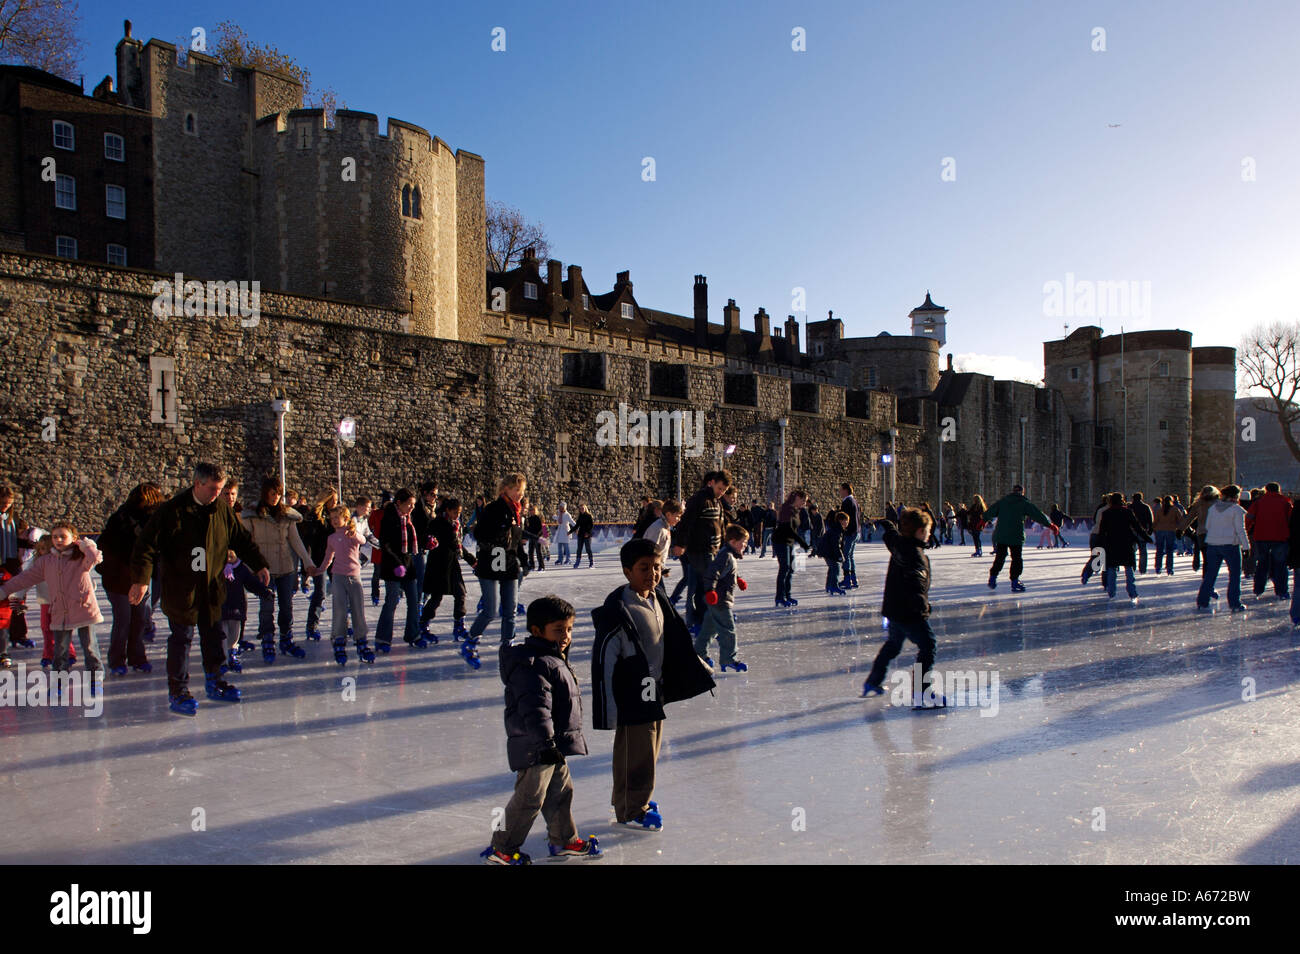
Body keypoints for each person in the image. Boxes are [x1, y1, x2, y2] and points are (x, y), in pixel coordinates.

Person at [591, 538, 716, 832]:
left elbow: (675, 639)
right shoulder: (620, 608)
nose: (652, 573)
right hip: (634, 689)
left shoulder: (657, 598)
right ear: (627, 571)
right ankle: (633, 809)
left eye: (657, 567)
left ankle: (626, 800)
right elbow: (604, 659)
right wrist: (607, 705)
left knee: (646, 746)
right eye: (644, 568)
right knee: (639, 751)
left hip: (653, 687)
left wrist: (698, 665)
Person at [130, 462, 270, 715]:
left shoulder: (221, 510)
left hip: (212, 587)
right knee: (181, 638)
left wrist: (258, 564)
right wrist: (141, 580)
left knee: (214, 635)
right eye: (213, 489)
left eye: (221, 489)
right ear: (197, 484)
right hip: (181, 587)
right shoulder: (171, 511)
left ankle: (214, 679)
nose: (218, 494)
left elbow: (240, 537)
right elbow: (146, 546)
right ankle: (178, 689)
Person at [480, 596, 600, 864]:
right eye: (559, 629)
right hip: (537, 746)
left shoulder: (551, 657)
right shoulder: (532, 663)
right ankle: (502, 846)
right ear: (536, 630)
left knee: (560, 793)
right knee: (528, 799)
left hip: (550, 746)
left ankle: (563, 841)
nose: (566, 635)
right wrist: (545, 744)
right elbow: (535, 708)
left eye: (569, 629)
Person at [0, 522, 104, 684]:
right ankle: (59, 676)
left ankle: (95, 674)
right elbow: (25, 578)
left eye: (63, 536)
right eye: (55, 537)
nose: (59, 540)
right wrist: (4, 590)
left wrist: (86, 545)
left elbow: (95, 558)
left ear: (74, 538)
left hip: (83, 607)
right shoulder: (46, 561)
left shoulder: (81, 557)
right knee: (60, 648)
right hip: (60, 609)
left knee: (89, 645)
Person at [862, 508, 942, 706]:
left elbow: (890, 535)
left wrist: (887, 524)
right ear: (920, 532)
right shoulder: (915, 555)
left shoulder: (899, 543)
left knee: (894, 645)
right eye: (928, 530)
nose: (930, 534)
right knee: (928, 645)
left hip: (893, 610)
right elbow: (916, 585)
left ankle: (873, 681)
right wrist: (923, 608)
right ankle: (922, 693)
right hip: (909, 611)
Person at [242, 477, 315, 663]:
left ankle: (286, 638)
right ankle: (267, 639)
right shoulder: (252, 515)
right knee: (266, 608)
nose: (275, 498)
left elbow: (296, 541)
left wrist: (307, 562)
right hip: (264, 568)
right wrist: (246, 564)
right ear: (265, 493)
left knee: (286, 607)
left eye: (278, 494)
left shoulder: (287, 515)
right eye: (272, 494)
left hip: (285, 567)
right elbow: (245, 541)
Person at [96, 482, 165, 676]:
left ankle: (137, 657)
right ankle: (117, 659)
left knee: (139, 620)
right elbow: (107, 548)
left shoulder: (152, 521)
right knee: (123, 620)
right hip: (119, 580)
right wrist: (112, 571)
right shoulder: (122, 519)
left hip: (140, 579)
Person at [467, 474, 528, 660]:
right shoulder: (493, 508)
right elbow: (479, 532)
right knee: (490, 610)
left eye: (522, 491)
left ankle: (508, 646)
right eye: (516, 490)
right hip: (492, 558)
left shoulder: (517, 512)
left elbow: (515, 542)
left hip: (508, 561)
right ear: (505, 489)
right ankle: (471, 642)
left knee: (510, 609)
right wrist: (499, 533)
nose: (519, 494)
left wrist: (523, 560)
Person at [314, 505, 376, 665]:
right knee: (340, 609)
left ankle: (361, 640)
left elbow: (364, 540)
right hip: (338, 577)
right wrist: (320, 569)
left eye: (337, 517)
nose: (334, 521)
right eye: (332, 518)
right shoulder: (332, 538)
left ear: (346, 518)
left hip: (355, 576)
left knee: (357, 609)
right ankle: (339, 639)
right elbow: (328, 557)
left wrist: (354, 532)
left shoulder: (352, 534)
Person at [422, 497, 479, 667]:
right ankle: (423, 624)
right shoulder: (440, 523)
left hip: (451, 564)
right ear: (447, 510)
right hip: (439, 565)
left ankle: (459, 625)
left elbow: (458, 545)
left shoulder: (455, 525)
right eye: (455, 512)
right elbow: (456, 545)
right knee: (437, 596)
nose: (457, 515)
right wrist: (473, 561)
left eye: (459, 513)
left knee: (460, 593)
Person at [677, 471, 730, 634]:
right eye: (719, 488)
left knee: (701, 584)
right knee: (706, 585)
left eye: (724, 490)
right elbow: (686, 523)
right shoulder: (700, 499)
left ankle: (699, 619)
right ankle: (701, 620)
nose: (721, 492)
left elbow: (720, 526)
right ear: (712, 483)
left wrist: (724, 546)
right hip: (699, 550)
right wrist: (680, 543)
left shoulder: (717, 502)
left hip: (712, 550)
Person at [376, 488, 425, 652]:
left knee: (413, 600)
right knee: (392, 601)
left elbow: (414, 540)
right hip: (393, 566)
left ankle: (413, 634)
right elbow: (385, 544)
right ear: (399, 503)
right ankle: (383, 638)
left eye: (413, 504)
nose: (412, 507)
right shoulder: (389, 518)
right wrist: (397, 564)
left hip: (408, 564)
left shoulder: (409, 518)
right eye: (409, 504)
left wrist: (427, 542)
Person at [982, 484, 1056, 592]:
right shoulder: (1024, 503)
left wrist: (983, 520)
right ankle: (1015, 581)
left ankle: (992, 577)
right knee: (1016, 558)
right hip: (1015, 535)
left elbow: (989, 512)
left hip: (1001, 534)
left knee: (1000, 557)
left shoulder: (1003, 501)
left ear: (1013, 491)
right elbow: (1037, 514)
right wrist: (1049, 525)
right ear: (1022, 492)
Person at [697, 524, 750, 671]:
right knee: (728, 629)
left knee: (709, 629)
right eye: (742, 543)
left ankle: (699, 654)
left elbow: (725, 572)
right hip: (720, 600)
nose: (745, 545)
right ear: (732, 542)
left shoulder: (729, 554)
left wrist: (737, 579)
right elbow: (712, 573)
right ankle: (728, 658)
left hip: (718, 599)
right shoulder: (726, 555)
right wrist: (710, 591)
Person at [218, 549, 273, 673]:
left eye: (231, 556)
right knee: (222, 635)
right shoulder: (215, 569)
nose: (228, 559)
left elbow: (251, 582)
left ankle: (232, 654)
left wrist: (264, 592)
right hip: (220, 609)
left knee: (234, 637)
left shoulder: (240, 569)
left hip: (236, 608)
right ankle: (222, 660)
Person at [1197, 485, 1250, 612]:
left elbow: (1208, 526)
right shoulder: (1236, 510)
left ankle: (1202, 601)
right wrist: (1246, 546)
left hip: (1213, 544)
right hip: (1230, 545)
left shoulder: (1213, 508)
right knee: (1234, 575)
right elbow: (1240, 530)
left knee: (1210, 575)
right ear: (1235, 497)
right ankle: (1234, 603)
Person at [1097, 493, 1151, 600]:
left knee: (1112, 569)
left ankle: (1111, 592)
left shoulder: (1107, 513)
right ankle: (1132, 592)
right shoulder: (1127, 512)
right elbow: (1137, 527)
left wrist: (1100, 545)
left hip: (1112, 544)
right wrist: (1146, 537)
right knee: (1129, 569)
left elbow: (1102, 531)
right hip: (1126, 543)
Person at [301, 490, 338, 641]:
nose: (335, 503)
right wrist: (307, 563)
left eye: (336, 500)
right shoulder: (315, 517)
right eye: (333, 500)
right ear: (327, 500)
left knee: (340, 592)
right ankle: (312, 625)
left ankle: (343, 622)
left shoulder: (338, 516)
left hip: (335, 559)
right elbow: (308, 540)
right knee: (320, 592)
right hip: (319, 559)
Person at [1246, 482, 1293, 600]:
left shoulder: (1259, 502)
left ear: (1266, 490)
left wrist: (1247, 530)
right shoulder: (1285, 502)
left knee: (1262, 563)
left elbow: (1249, 517)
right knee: (1280, 564)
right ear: (1279, 490)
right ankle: (1282, 591)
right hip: (1280, 537)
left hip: (1261, 536)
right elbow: (1291, 519)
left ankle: (1258, 588)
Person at [773, 489, 810, 607]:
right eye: (803, 501)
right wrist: (802, 542)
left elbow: (794, 529)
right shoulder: (786, 509)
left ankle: (787, 595)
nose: (804, 504)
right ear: (797, 498)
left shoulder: (795, 511)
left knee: (790, 569)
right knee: (784, 568)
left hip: (788, 542)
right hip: (780, 541)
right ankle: (780, 597)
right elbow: (788, 528)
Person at [642, 499, 682, 600]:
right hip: (650, 570)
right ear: (668, 514)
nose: (678, 519)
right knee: (660, 598)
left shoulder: (665, 527)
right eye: (677, 516)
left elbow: (660, 550)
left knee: (659, 598)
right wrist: (660, 568)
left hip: (656, 568)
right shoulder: (659, 528)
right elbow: (650, 550)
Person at [818, 510, 850, 595]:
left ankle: (829, 586)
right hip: (828, 551)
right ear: (841, 520)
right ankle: (834, 586)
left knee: (832, 568)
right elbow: (836, 545)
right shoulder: (837, 530)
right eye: (846, 520)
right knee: (835, 568)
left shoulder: (836, 529)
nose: (847, 523)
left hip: (826, 551)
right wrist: (840, 556)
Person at [1152, 495, 1181, 575]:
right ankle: (1169, 568)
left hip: (1160, 530)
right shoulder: (1175, 509)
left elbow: (1156, 521)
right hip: (1170, 530)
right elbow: (1180, 519)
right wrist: (1179, 528)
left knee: (1159, 550)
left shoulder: (1160, 510)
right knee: (1169, 550)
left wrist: (1152, 529)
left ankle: (1158, 567)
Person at [839, 484, 860, 588]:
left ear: (846, 490)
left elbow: (844, 518)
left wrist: (843, 530)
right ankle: (853, 579)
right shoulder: (854, 501)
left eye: (841, 490)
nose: (840, 492)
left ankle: (847, 579)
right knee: (850, 556)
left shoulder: (847, 502)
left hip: (849, 532)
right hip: (856, 531)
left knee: (845, 556)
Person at [1129, 492, 1154, 573]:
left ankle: (1132, 566)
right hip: (1142, 531)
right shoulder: (1146, 507)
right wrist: (1150, 530)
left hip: (1131, 531)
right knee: (1143, 550)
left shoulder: (1130, 507)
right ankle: (1142, 569)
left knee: (1131, 550)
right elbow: (1150, 520)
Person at [524, 504, 545, 571]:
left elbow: (540, 528)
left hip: (537, 537)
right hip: (531, 537)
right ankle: (532, 565)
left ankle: (541, 566)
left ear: (535, 511)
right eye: (530, 510)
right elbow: (527, 528)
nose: (530, 511)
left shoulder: (538, 518)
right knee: (530, 551)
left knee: (538, 552)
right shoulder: (528, 519)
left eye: (532, 510)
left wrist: (537, 536)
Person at [573, 504, 595, 568]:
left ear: (585, 509)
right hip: (580, 535)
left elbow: (591, 526)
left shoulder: (589, 516)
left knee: (588, 549)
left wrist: (588, 533)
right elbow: (577, 526)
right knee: (579, 549)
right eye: (580, 509)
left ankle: (591, 562)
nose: (581, 510)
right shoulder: (580, 516)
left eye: (583, 508)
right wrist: (570, 532)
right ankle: (577, 562)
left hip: (587, 535)